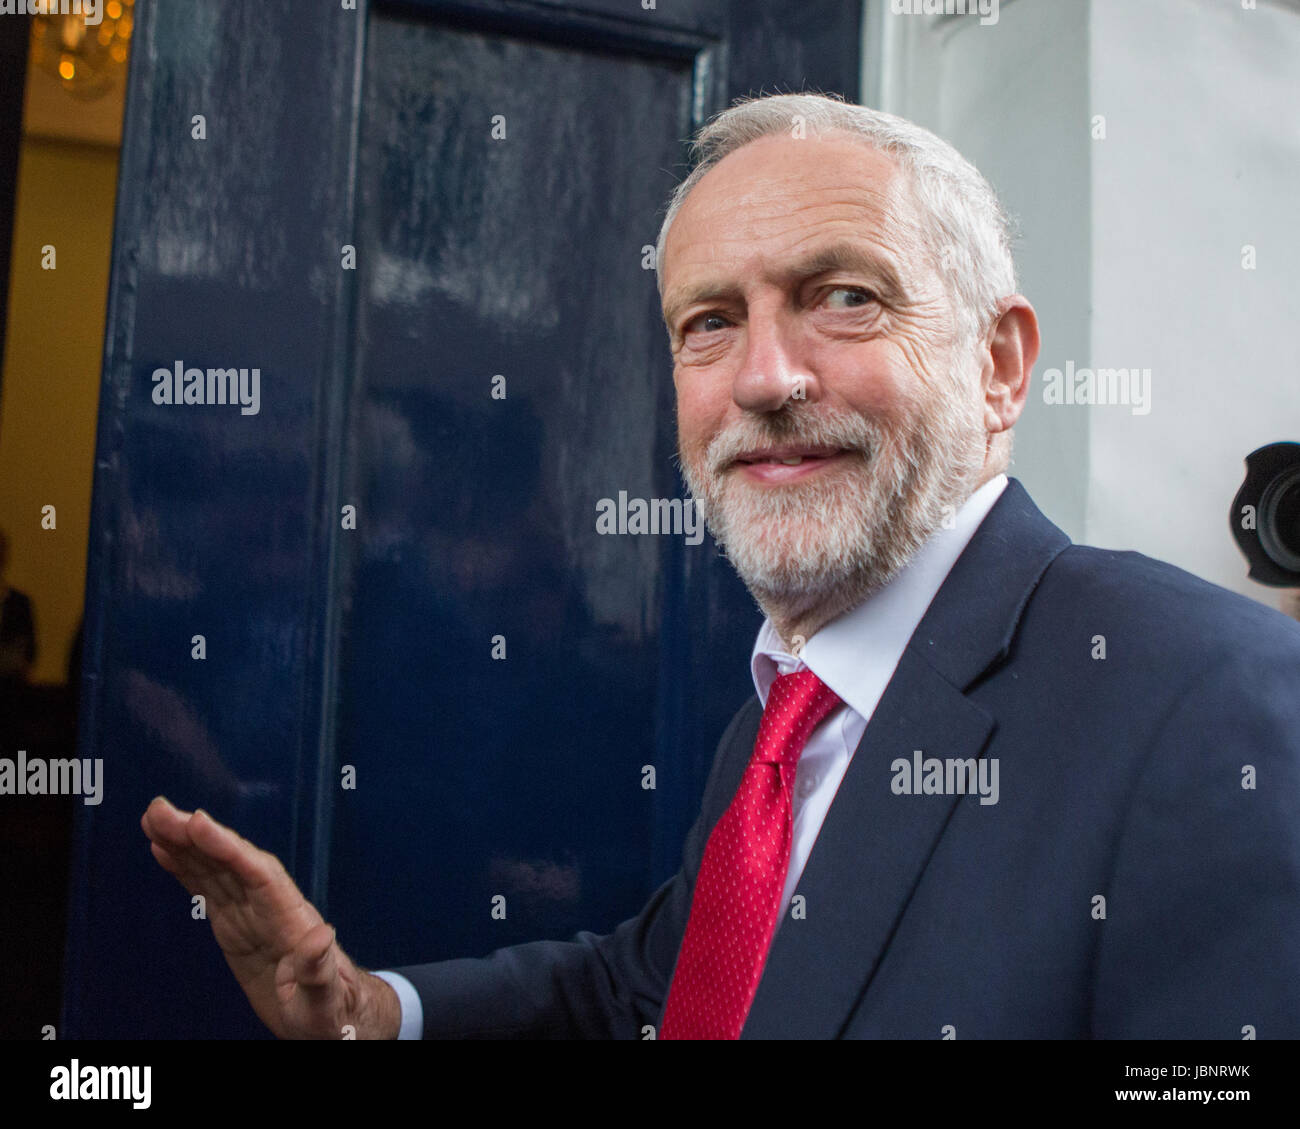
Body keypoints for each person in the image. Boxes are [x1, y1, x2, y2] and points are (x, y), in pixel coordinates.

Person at [141, 92, 1300, 1039]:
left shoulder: (1208, 696)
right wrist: (367, 1010)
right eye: (708, 322)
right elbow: (660, 990)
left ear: (997, 366)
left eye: (843, 298)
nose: (763, 378)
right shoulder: (784, 710)